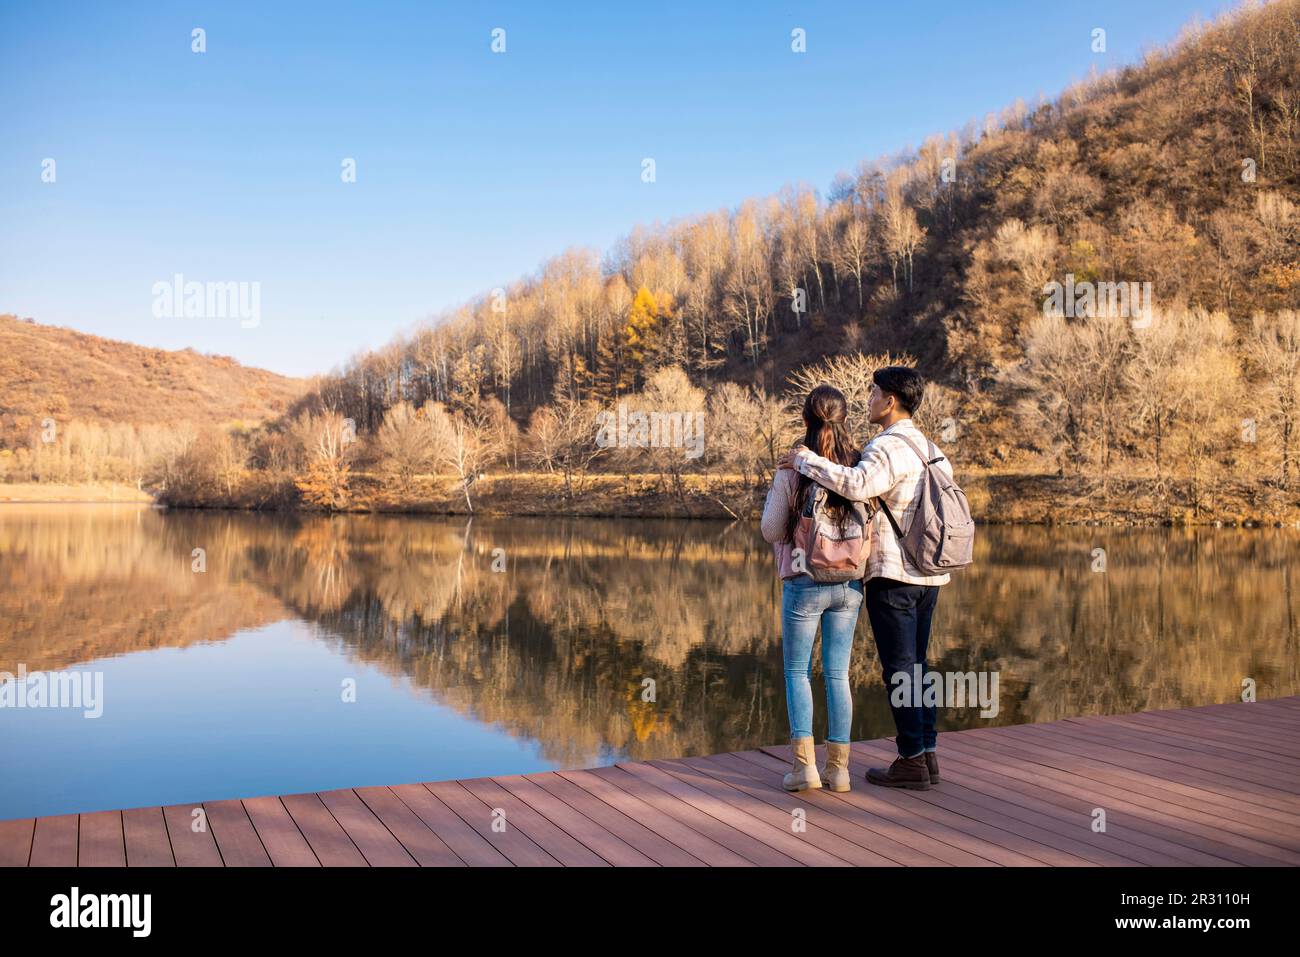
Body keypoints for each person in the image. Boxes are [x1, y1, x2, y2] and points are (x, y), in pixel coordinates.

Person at [777, 366, 952, 790]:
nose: (868, 399)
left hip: (895, 573)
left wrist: (807, 460)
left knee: (899, 669)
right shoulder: (930, 448)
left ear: (890, 401)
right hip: (931, 572)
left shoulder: (887, 447)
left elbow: (856, 484)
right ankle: (925, 753)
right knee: (918, 667)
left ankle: (911, 759)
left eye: (874, 393)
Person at [760, 385, 865, 793]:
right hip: (850, 584)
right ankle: (839, 771)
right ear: (843, 419)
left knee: (796, 673)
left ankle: (805, 770)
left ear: (806, 419)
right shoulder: (859, 467)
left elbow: (771, 528)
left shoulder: (794, 466)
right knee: (838, 674)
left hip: (804, 582)